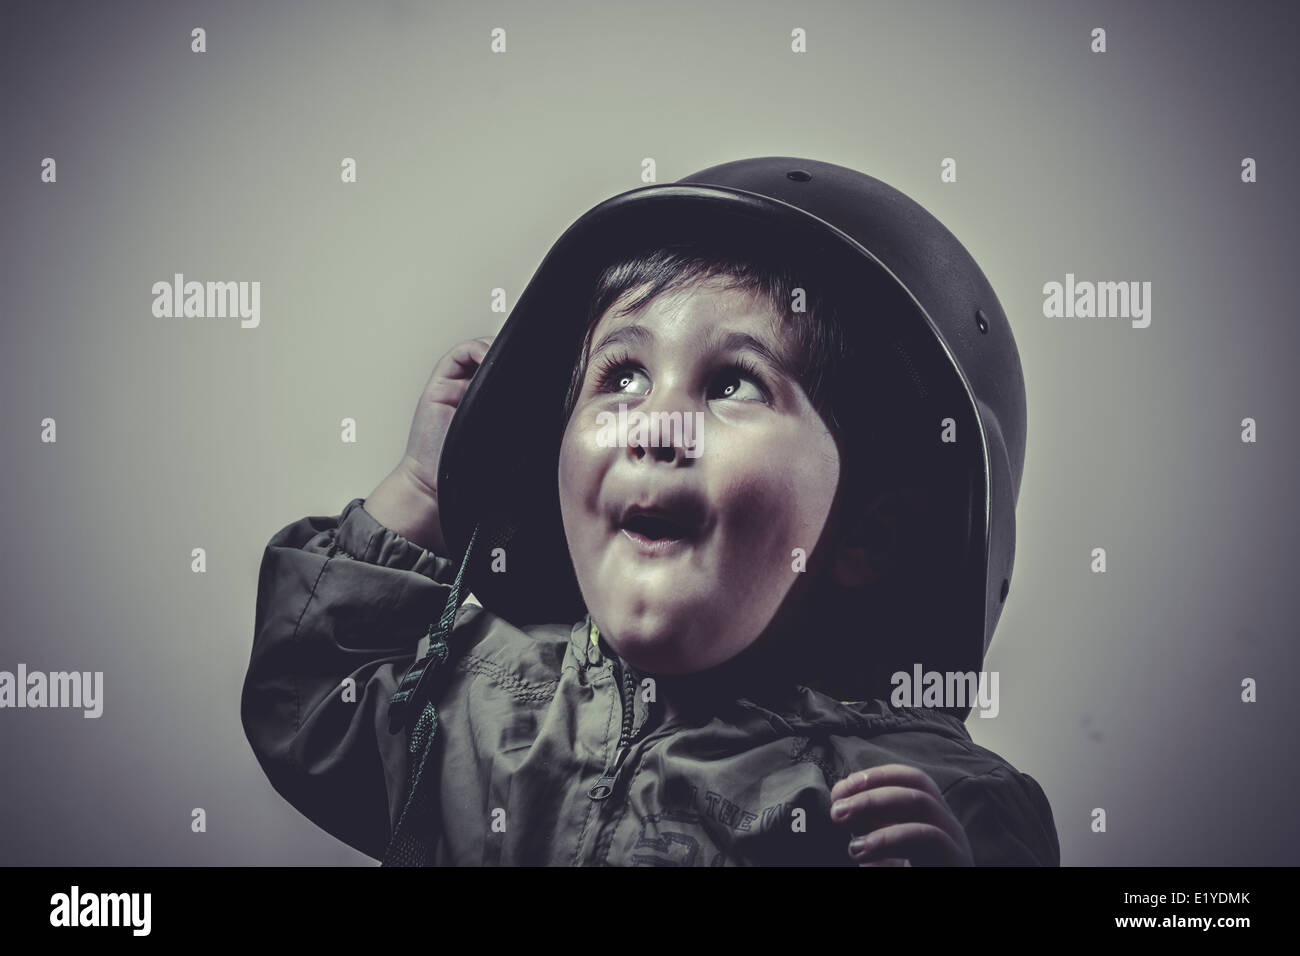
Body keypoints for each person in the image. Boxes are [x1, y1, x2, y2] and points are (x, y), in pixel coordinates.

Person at [241, 158, 1061, 866]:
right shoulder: (483, 698)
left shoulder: (937, 803)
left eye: (734, 384)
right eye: (622, 376)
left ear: (867, 536)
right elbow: (308, 694)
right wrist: (424, 489)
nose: (653, 426)